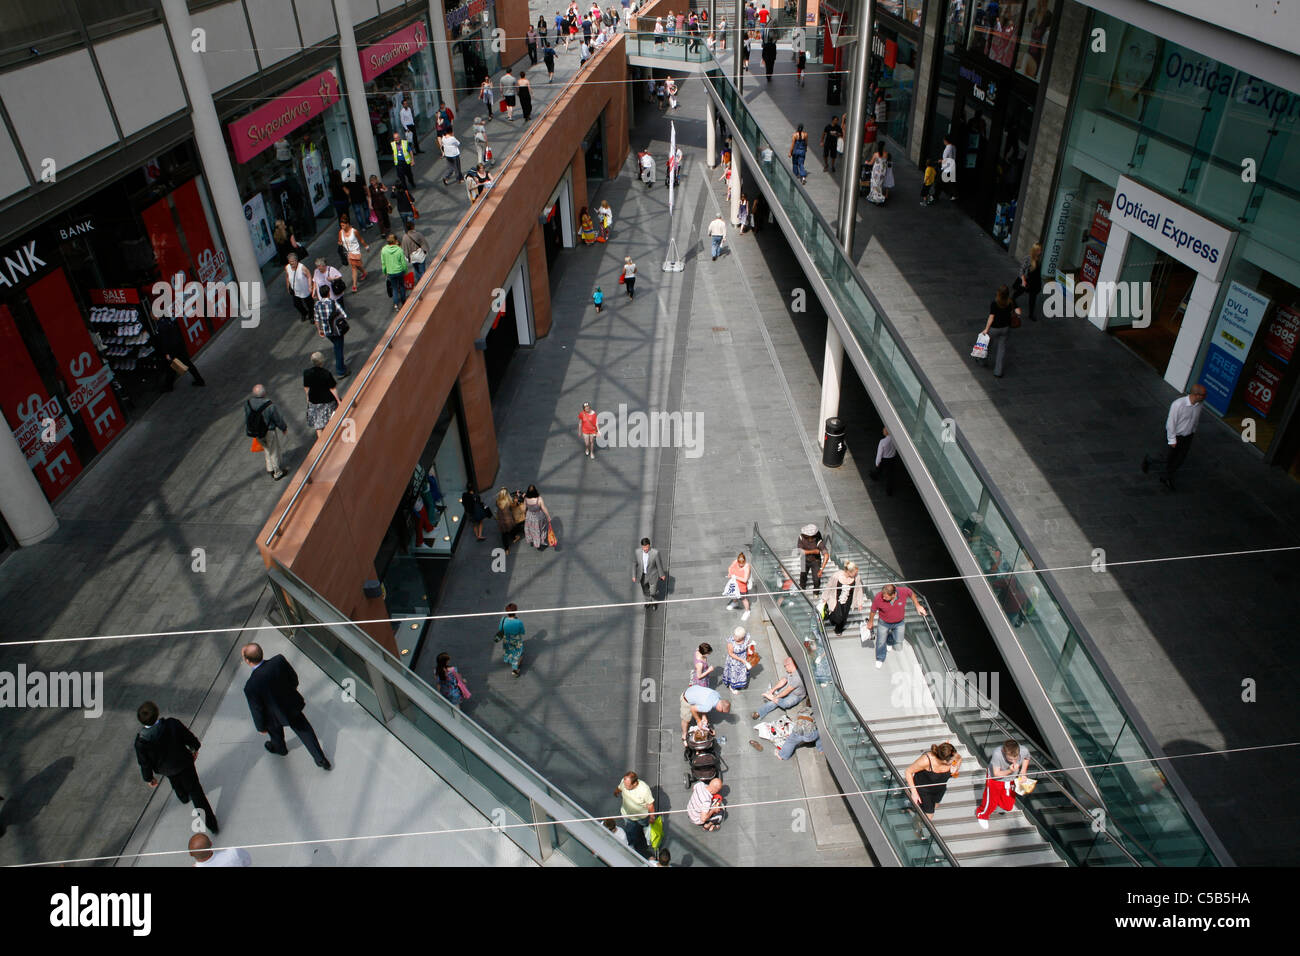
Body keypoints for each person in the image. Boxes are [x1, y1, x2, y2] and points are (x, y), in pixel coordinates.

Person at [134, 700, 219, 834]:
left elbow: (144, 762)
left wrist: (149, 778)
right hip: (184, 762)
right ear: (157, 713)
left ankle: (183, 797)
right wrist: (194, 748)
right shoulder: (172, 724)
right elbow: (188, 737)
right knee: (196, 791)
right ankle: (211, 824)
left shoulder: (141, 741)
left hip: (165, 768)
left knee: (174, 780)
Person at [242, 643, 330, 769]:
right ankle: (321, 759)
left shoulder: (250, 686)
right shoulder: (278, 661)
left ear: (247, 660)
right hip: (290, 706)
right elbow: (294, 679)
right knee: (305, 730)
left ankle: (280, 749)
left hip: (272, 716)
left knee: (275, 733)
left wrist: (260, 727)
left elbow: (257, 709)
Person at [1142, 384, 1207, 491]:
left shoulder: (1199, 405)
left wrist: (1193, 431)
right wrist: (1172, 439)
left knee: (1179, 459)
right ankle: (1149, 460)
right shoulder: (1178, 405)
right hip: (1175, 436)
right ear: (1196, 395)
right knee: (1165, 457)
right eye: (1204, 395)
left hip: (1188, 436)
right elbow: (1171, 423)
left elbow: (1195, 419)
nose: (1205, 397)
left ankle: (1166, 477)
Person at [905, 742, 962, 835]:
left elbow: (958, 764)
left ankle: (916, 813)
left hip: (940, 788)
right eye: (952, 762)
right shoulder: (926, 760)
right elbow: (908, 771)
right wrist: (914, 792)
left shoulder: (954, 758)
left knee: (935, 806)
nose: (954, 762)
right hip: (924, 789)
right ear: (943, 761)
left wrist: (955, 770)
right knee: (929, 814)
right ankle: (917, 828)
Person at [867, 582, 928, 667]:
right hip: (884, 622)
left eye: (886, 597)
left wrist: (917, 605)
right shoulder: (879, 597)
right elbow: (873, 610)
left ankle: (889, 641)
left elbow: (911, 593)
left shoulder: (903, 592)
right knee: (880, 641)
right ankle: (880, 658)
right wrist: (870, 621)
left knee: (899, 639)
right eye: (883, 596)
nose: (883, 598)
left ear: (894, 595)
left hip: (899, 622)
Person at [976, 739, 1030, 828]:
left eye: (1015, 759)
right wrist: (1010, 770)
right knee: (990, 803)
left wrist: (1023, 771)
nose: (1013, 761)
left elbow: (1027, 757)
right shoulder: (997, 754)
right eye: (1010, 759)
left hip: (1011, 780)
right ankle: (982, 815)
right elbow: (996, 774)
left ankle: (996, 802)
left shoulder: (1024, 750)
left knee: (1008, 805)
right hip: (995, 780)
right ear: (1004, 752)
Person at [245, 383, 288, 481]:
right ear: (264, 393)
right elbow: (277, 419)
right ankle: (277, 473)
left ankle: (270, 468)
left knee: (266, 448)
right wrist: (283, 428)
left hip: (256, 432)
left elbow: (247, 417)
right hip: (269, 431)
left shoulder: (248, 403)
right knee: (273, 451)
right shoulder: (269, 405)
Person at [981, 284, 1021, 378]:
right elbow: (1018, 312)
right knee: (1001, 350)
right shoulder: (1010, 302)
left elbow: (991, 317)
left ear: (998, 293)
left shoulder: (994, 303)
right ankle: (998, 371)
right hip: (1005, 328)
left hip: (994, 328)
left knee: (988, 345)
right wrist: (1017, 316)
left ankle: (983, 361)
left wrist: (986, 329)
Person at [155, 314, 205, 389]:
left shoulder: (161, 325)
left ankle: (169, 385)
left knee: (172, 366)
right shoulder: (168, 320)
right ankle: (199, 380)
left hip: (173, 348)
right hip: (178, 345)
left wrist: (167, 353)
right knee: (185, 364)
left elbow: (165, 341)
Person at [614, 771, 657, 854]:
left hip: (641, 816)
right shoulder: (624, 781)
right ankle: (631, 844)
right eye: (625, 784)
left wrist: (652, 817)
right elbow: (620, 788)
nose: (625, 786)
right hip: (627, 815)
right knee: (630, 832)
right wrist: (616, 791)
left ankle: (645, 833)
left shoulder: (644, 790)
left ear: (634, 783)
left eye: (627, 785)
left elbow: (651, 805)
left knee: (644, 825)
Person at [312, 285, 349, 378]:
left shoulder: (317, 305)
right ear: (328, 293)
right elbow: (344, 315)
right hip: (336, 331)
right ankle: (341, 371)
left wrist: (319, 329)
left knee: (337, 346)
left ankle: (341, 366)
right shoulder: (333, 303)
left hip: (326, 331)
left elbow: (316, 319)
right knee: (338, 349)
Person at [302, 350, 341, 437]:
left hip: (314, 400)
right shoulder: (326, 374)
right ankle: (333, 435)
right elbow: (332, 388)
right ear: (322, 361)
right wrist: (338, 400)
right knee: (329, 419)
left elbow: (306, 387)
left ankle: (321, 441)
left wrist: (307, 399)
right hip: (327, 401)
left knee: (318, 424)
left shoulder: (307, 373)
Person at [823, 560, 866, 635]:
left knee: (844, 616)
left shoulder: (857, 578)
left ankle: (838, 630)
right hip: (836, 598)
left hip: (848, 601)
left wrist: (860, 603)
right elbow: (829, 586)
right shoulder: (836, 576)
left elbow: (859, 590)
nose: (856, 574)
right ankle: (832, 619)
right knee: (836, 615)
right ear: (849, 572)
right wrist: (825, 598)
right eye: (855, 572)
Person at [337, 213, 368, 292]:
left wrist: (366, 247)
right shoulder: (341, 232)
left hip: (356, 251)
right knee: (356, 265)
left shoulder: (354, 231)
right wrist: (340, 243)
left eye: (343, 225)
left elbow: (361, 239)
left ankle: (354, 285)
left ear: (347, 224)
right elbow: (340, 241)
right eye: (341, 226)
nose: (342, 227)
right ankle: (364, 272)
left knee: (353, 267)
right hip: (348, 252)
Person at [634, 536, 666, 609]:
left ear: (649, 545)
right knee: (645, 590)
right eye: (643, 547)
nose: (645, 549)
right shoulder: (637, 552)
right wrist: (633, 575)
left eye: (647, 547)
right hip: (643, 576)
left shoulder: (655, 553)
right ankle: (648, 601)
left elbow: (659, 564)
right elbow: (634, 563)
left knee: (653, 592)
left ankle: (654, 602)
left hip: (653, 575)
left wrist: (662, 574)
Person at [494, 603, 526, 677]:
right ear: (515, 611)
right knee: (518, 654)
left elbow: (500, 629)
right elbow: (522, 632)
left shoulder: (503, 619)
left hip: (507, 639)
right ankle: (515, 670)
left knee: (508, 651)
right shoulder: (518, 622)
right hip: (516, 641)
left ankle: (508, 659)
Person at [721, 626, 755, 693]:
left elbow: (747, 645)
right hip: (734, 660)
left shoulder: (746, 638)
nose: (734, 637)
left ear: (742, 637)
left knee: (741, 672)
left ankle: (740, 682)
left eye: (737, 637)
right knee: (734, 673)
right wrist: (741, 660)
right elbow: (730, 653)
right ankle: (732, 686)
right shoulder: (731, 642)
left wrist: (749, 650)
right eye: (734, 635)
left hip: (743, 657)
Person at [380, 233, 409, 311]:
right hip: (399, 271)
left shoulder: (384, 250)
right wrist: (405, 271)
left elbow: (383, 262)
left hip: (390, 272)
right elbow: (403, 262)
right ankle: (404, 301)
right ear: (395, 241)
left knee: (394, 288)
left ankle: (396, 304)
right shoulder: (399, 250)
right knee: (402, 286)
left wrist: (385, 271)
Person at [1016, 242, 1044, 322]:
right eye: (1039, 250)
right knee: (1017, 293)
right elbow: (1022, 270)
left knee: (1032, 298)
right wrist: (1023, 281)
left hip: (1035, 282)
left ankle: (1031, 314)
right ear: (1035, 250)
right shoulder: (1028, 258)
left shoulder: (1038, 259)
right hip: (1027, 281)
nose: (1041, 252)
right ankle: (1011, 302)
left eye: (1041, 250)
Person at [796, 523, 828, 592]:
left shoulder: (818, 540)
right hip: (804, 559)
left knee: (816, 578)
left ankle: (816, 592)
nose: (805, 536)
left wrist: (821, 569)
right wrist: (813, 551)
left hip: (815, 561)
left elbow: (826, 555)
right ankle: (802, 589)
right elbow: (800, 551)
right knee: (803, 575)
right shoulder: (801, 537)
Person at [284, 252, 313, 322]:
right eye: (290, 262)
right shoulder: (287, 267)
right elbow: (287, 277)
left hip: (305, 289)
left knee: (309, 304)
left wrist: (310, 286)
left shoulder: (302, 267)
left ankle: (312, 316)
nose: (291, 263)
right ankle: (304, 313)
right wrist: (288, 286)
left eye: (293, 261)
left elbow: (309, 276)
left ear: (296, 261)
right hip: (295, 290)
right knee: (296, 304)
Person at [870, 425, 898, 495]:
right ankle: (889, 491)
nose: (883, 431)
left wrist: (877, 463)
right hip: (892, 459)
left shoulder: (883, 441)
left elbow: (879, 454)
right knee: (890, 475)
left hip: (884, 459)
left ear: (887, 432)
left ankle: (875, 476)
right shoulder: (894, 439)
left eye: (884, 430)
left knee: (879, 469)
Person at [724, 551, 753, 618]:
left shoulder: (747, 567)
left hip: (742, 586)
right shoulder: (735, 562)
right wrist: (730, 573)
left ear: (745, 561)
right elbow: (730, 568)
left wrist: (736, 577)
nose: (740, 565)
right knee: (734, 594)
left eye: (742, 564)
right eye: (739, 564)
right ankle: (735, 602)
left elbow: (745, 579)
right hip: (735, 583)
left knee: (743, 598)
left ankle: (747, 611)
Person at [523, 484, 551, 549]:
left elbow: (524, 509)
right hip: (539, 517)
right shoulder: (539, 499)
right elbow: (544, 508)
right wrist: (548, 516)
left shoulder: (526, 499)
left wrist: (525, 515)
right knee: (541, 529)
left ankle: (534, 540)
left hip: (529, 517)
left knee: (532, 530)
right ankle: (541, 541)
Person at [939, 134, 958, 200]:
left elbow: (946, 159)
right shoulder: (953, 146)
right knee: (951, 182)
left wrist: (941, 161)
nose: (943, 141)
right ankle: (954, 195)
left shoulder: (948, 148)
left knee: (940, 181)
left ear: (946, 141)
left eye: (944, 140)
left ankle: (935, 195)